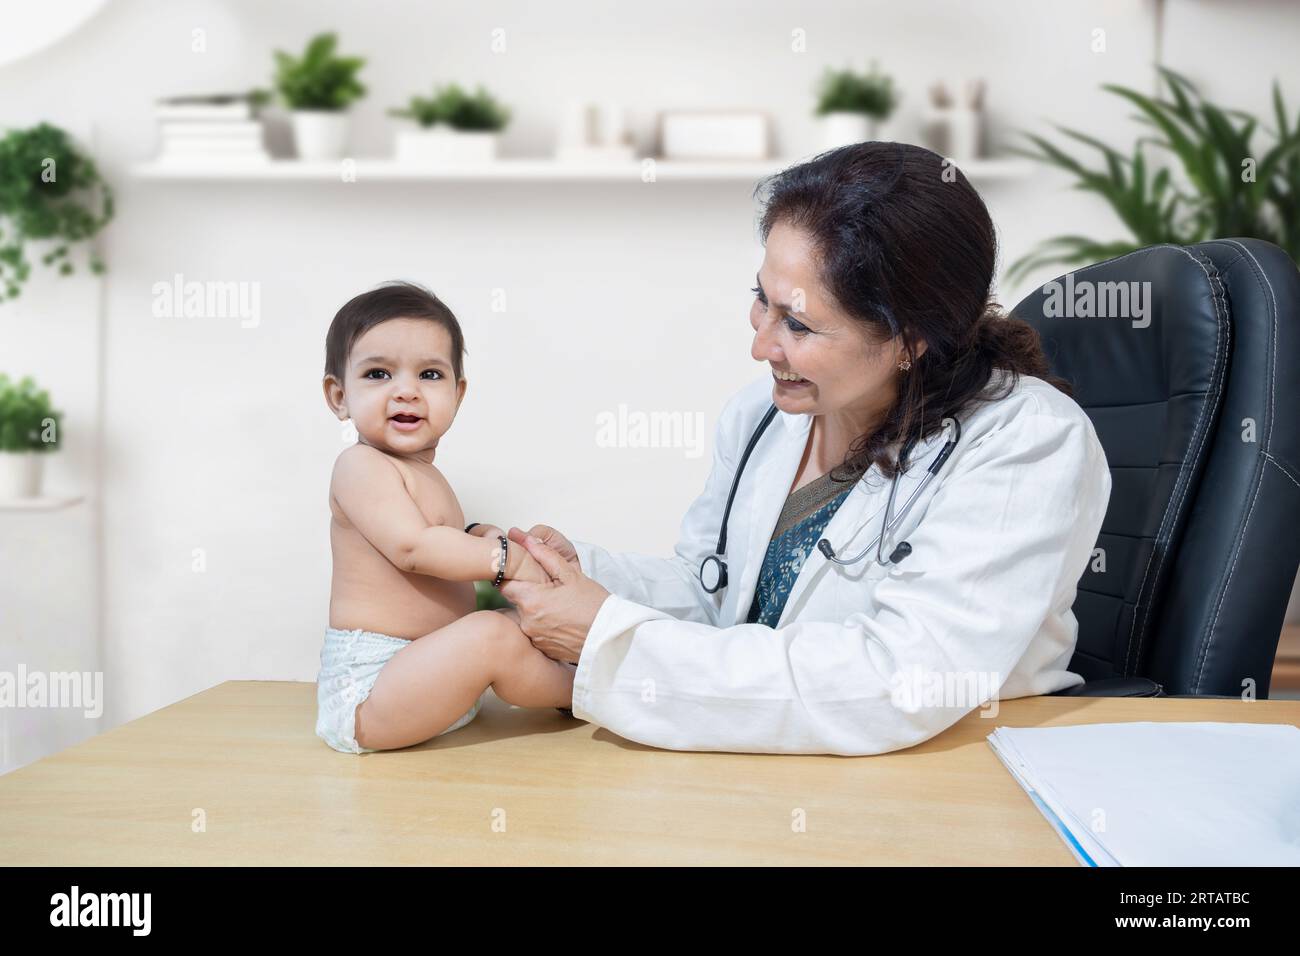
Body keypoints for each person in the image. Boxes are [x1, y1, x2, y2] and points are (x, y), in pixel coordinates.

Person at [494, 142, 1112, 756]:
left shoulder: (1026, 440)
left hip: (957, 769)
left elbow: (899, 682)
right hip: (778, 764)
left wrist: (605, 637)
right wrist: (585, 577)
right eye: (762, 298)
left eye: (799, 323)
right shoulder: (762, 415)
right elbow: (716, 592)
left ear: (911, 337)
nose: (761, 346)